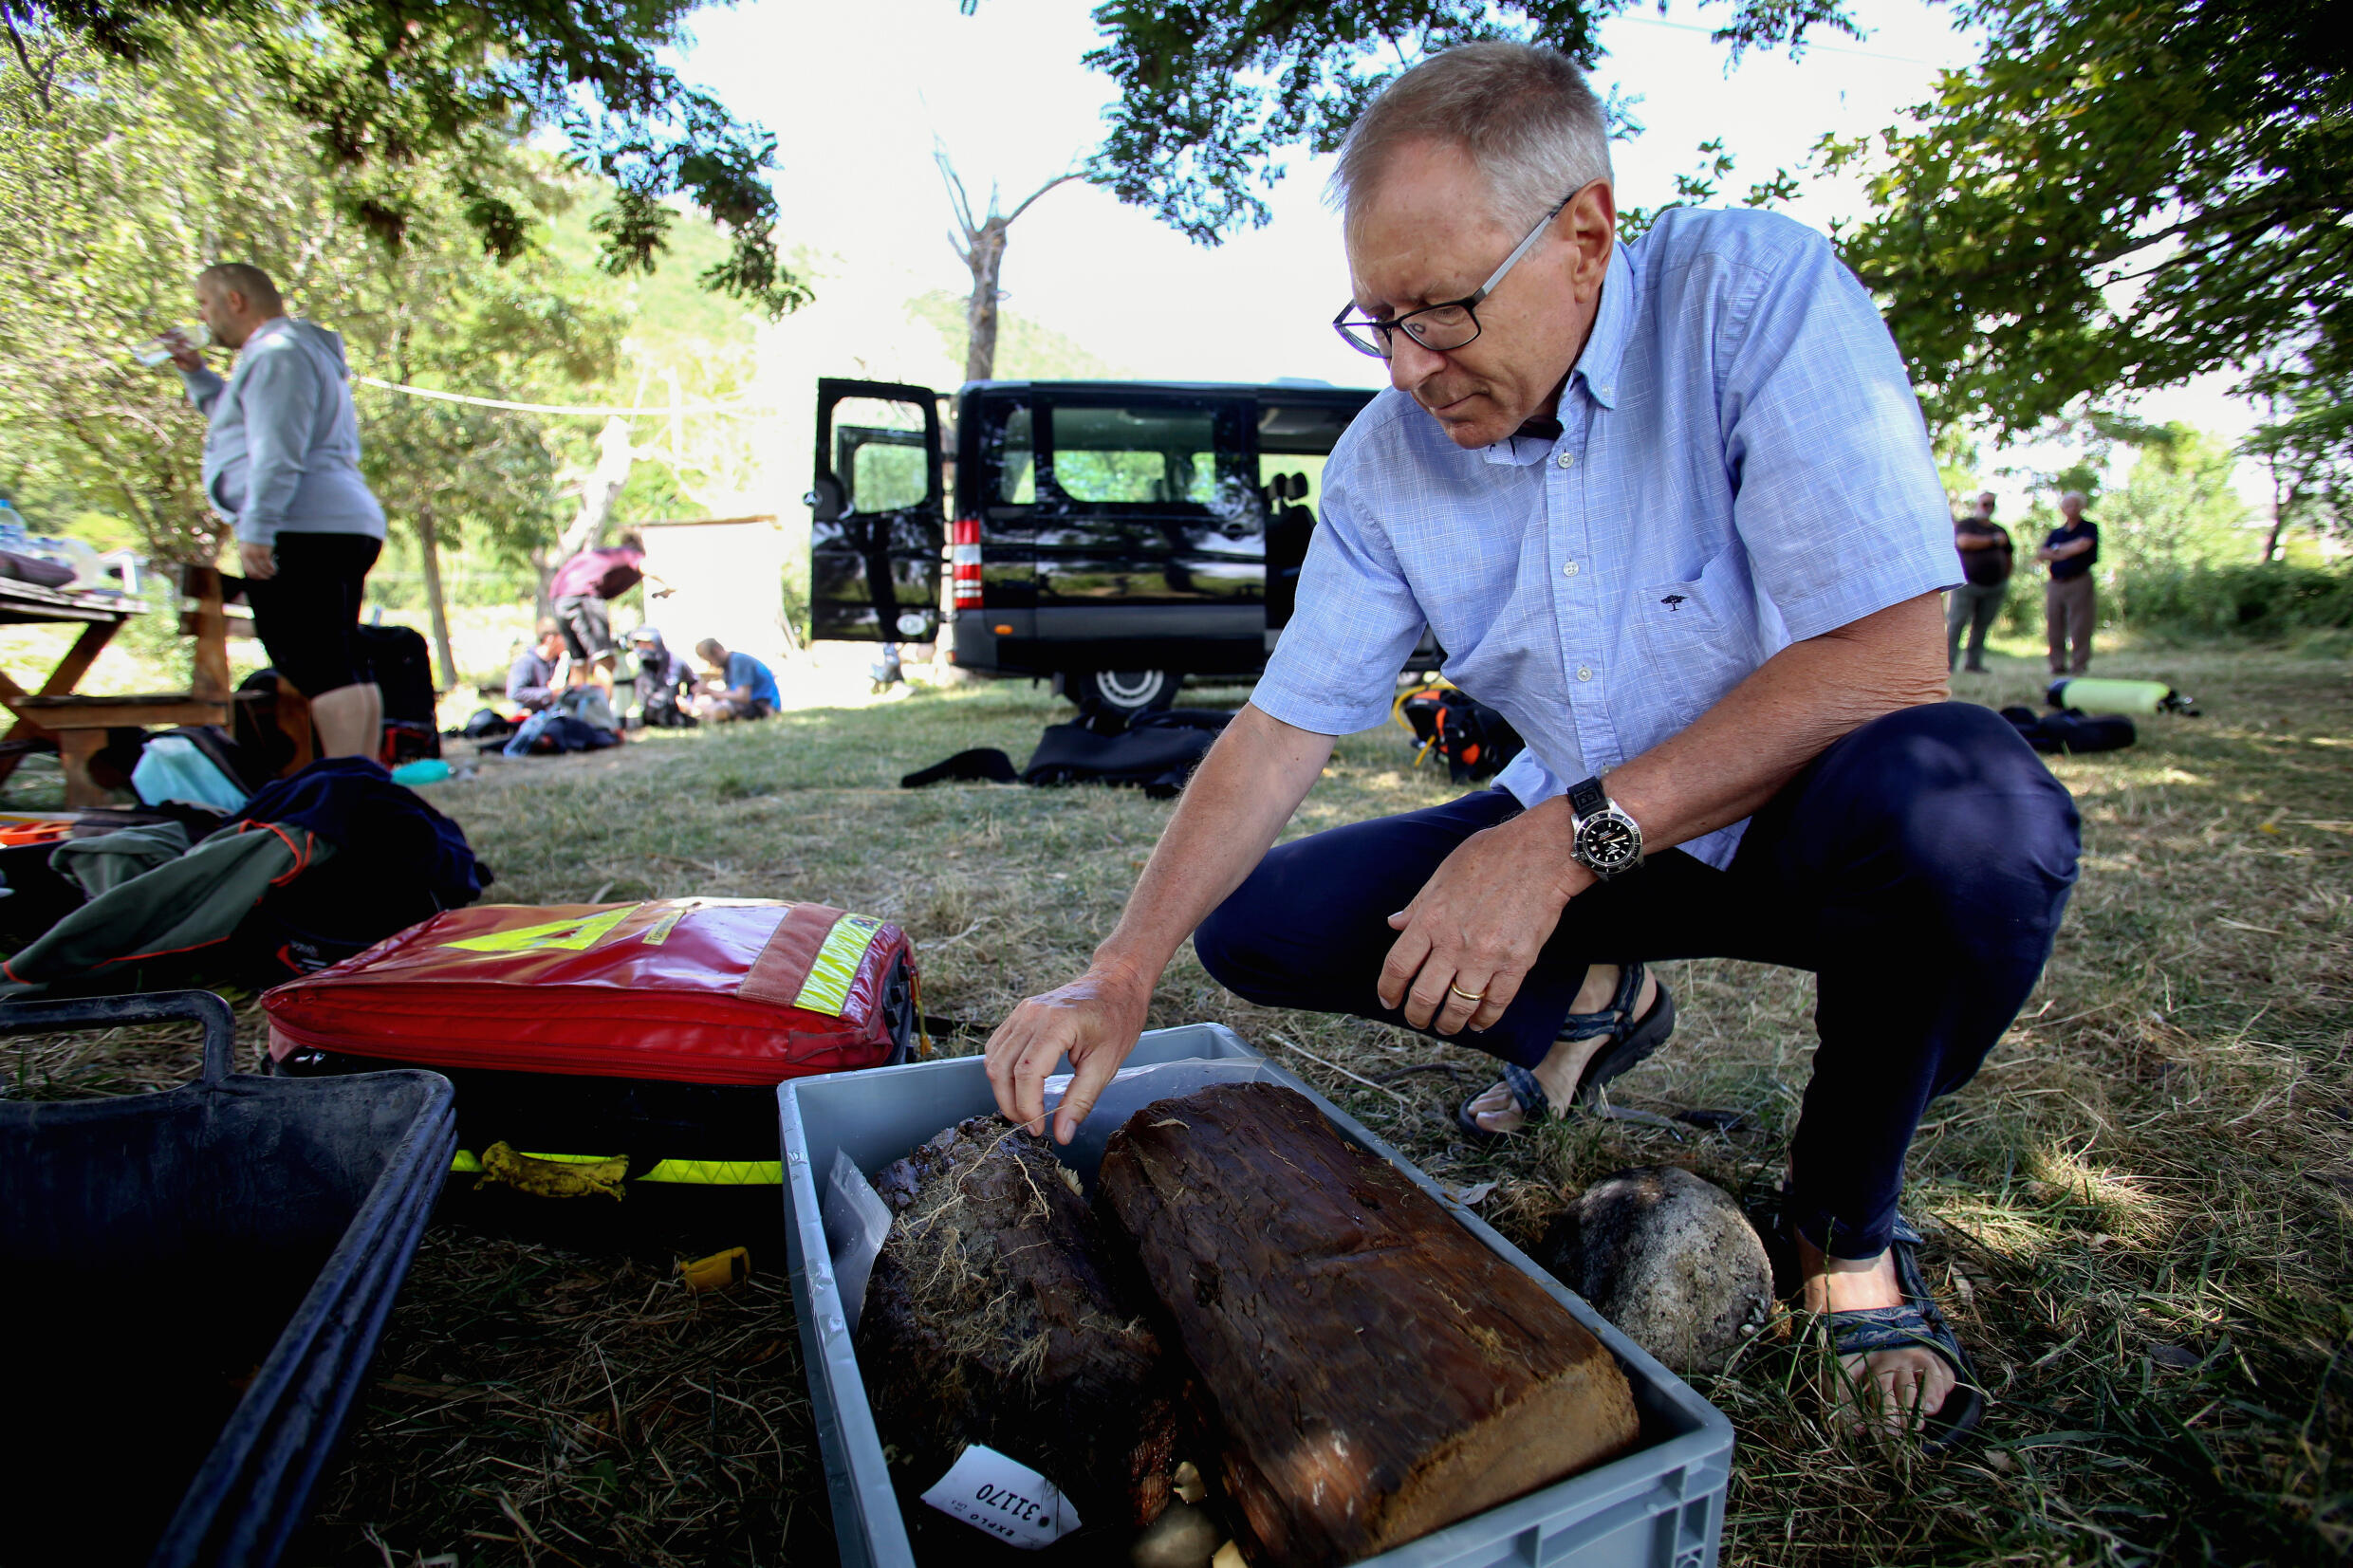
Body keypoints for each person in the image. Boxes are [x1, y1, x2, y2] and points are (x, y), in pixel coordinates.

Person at [982, 43, 2080, 1443]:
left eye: (1443, 312)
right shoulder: (1385, 461)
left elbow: (1885, 663)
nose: (1408, 367)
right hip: (1603, 849)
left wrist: (1558, 844)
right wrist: (1120, 969)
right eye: (1377, 321)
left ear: (1584, 236)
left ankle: (1839, 1225)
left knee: (1971, 815)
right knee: (1263, 923)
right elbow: (1277, 727)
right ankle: (1595, 1004)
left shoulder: (1749, 296)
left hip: (1820, 831)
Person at [169, 263, 386, 758]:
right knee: (339, 662)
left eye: (205, 303)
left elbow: (276, 449)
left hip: (304, 524)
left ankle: (349, 785)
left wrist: (258, 526)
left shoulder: (277, 353)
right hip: (335, 521)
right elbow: (242, 422)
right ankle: (363, 782)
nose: (202, 316)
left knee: (317, 665)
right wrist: (196, 374)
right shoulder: (290, 352)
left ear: (235, 300)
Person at [547, 533, 670, 692]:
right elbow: (646, 566)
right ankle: (600, 705)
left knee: (579, 661)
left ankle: (575, 705)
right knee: (605, 660)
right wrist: (669, 584)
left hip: (558, 599)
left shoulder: (608, 554)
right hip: (582, 597)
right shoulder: (629, 553)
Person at [1946, 492, 2013, 673]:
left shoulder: (2000, 529)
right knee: (1957, 622)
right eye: (1985, 504)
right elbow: (1963, 542)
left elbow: (2009, 554)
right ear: (1977, 504)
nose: (1988, 507)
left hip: (1994, 586)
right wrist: (1993, 541)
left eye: (1991, 504)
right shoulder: (1967, 525)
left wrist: (2005, 577)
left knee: (1982, 625)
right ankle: (1947, 663)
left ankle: (1973, 663)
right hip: (1967, 584)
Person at [2037, 491, 2100, 676]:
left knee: (2080, 624)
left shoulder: (2089, 528)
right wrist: (2066, 551)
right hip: (2056, 582)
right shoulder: (2057, 533)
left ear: (2081, 507)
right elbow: (2042, 553)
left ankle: (2079, 665)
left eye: (2074, 505)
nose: (2071, 509)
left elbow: (2082, 546)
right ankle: (2056, 664)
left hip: (2079, 580)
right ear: (2062, 509)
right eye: (2067, 505)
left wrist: (2057, 551)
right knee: (2054, 624)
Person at [692, 638, 779, 722]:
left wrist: (709, 691)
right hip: (750, 705)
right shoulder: (728, 667)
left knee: (718, 710)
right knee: (704, 704)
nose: (711, 665)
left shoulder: (738, 660)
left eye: (709, 661)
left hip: (763, 706)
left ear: (716, 651)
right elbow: (730, 694)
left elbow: (743, 697)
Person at [628, 626, 697, 728]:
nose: (643, 648)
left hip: (671, 715)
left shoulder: (675, 663)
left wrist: (688, 703)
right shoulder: (637, 666)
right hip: (646, 717)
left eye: (647, 644)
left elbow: (694, 684)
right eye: (640, 644)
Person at [507, 619, 566, 711]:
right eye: (563, 637)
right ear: (550, 639)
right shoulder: (525, 662)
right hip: (531, 717)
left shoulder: (559, 661)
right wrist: (549, 693)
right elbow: (515, 693)